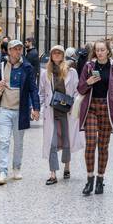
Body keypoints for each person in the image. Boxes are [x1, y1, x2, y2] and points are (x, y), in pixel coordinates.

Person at [77, 39, 113, 195]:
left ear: (107, 51)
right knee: (91, 143)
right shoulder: (88, 66)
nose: (99, 52)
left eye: (102, 50)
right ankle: (89, 179)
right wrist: (88, 82)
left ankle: (100, 180)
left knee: (103, 146)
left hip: (107, 108)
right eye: (97, 50)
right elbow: (80, 88)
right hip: (91, 107)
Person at [0, 40, 39, 185]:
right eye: (15, 49)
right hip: (4, 109)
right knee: (4, 141)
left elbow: (33, 89)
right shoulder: (0, 65)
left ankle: (17, 168)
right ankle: (2, 171)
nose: (18, 51)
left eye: (20, 49)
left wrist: (36, 108)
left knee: (18, 142)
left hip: (21, 111)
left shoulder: (27, 67)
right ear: (9, 51)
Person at [39, 46, 82, 185]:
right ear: (51, 55)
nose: (56, 55)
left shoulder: (72, 71)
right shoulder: (45, 73)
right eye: (54, 53)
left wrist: (74, 105)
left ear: (63, 55)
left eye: (59, 53)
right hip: (51, 112)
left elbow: (76, 90)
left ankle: (67, 166)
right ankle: (52, 173)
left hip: (67, 112)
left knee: (66, 141)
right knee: (52, 144)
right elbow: (41, 93)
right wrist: (38, 110)